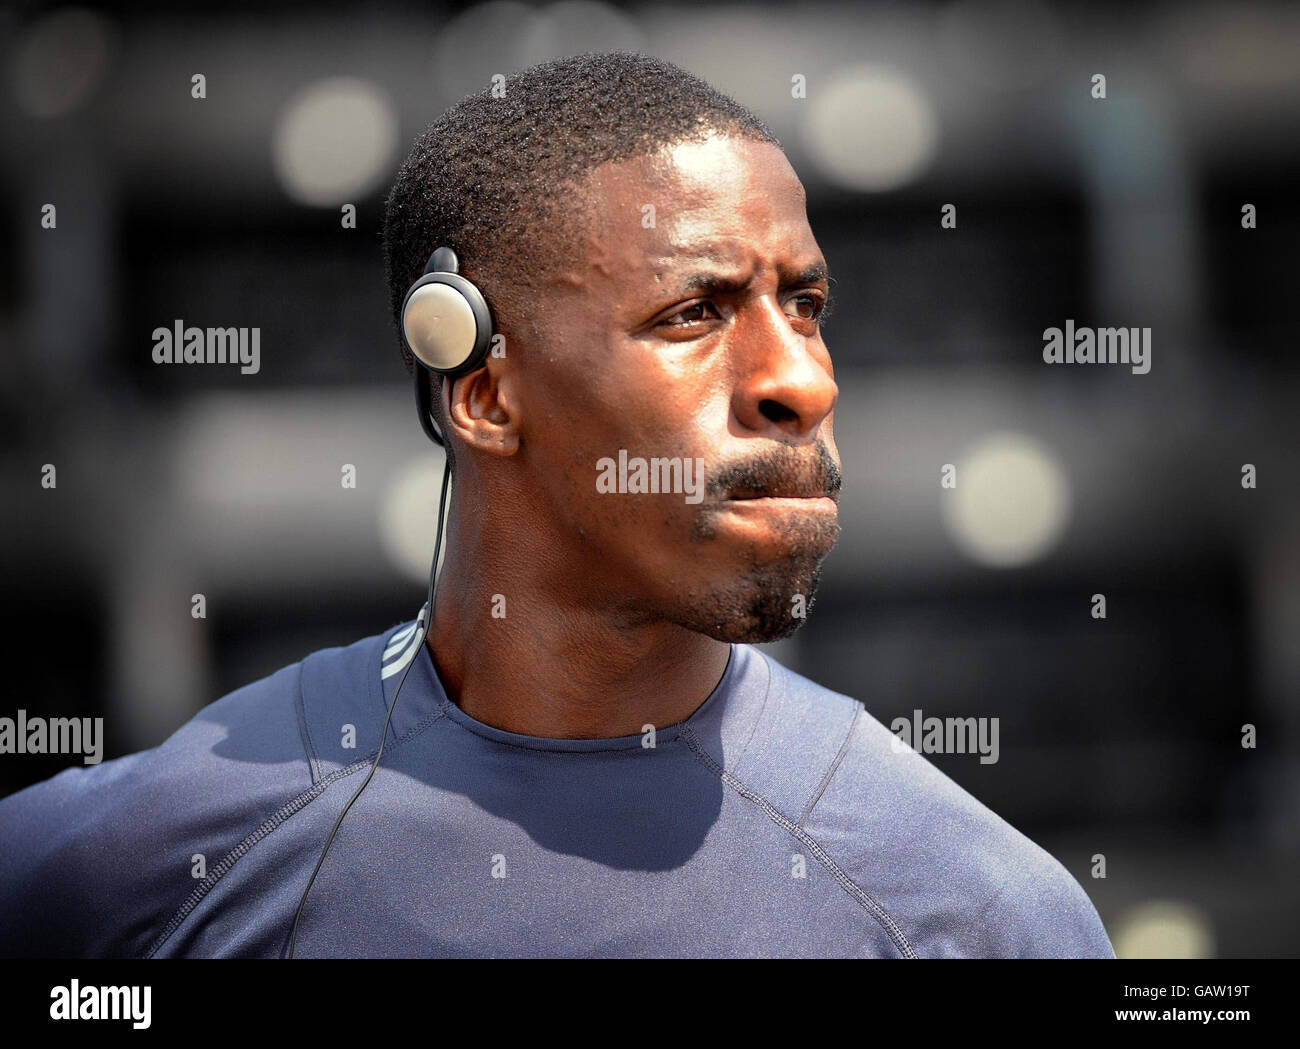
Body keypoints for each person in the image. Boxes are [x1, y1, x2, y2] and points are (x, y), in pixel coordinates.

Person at [0, 50, 1113, 959]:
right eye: (695, 312)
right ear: (484, 392)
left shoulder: (978, 915)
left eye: (806, 304)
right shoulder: (142, 867)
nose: (805, 380)